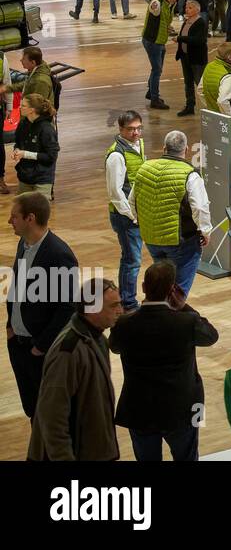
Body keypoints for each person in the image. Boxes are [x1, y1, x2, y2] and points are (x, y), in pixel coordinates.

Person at [109, 260, 219, 461]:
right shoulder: (187, 321)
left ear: (143, 288)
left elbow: (114, 347)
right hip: (182, 410)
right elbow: (211, 336)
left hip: (139, 410)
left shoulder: (124, 324)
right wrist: (184, 307)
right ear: (172, 290)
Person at [27, 278, 123, 461]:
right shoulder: (68, 351)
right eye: (114, 306)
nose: (120, 311)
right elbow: (52, 415)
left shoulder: (99, 340)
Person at [6, 192, 78, 417]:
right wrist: (10, 325)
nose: (9, 221)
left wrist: (42, 346)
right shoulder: (24, 243)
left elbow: (67, 307)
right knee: (32, 409)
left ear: (30, 218)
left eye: (14, 217)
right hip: (18, 344)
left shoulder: (59, 254)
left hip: (39, 349)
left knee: (48, 412)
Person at [129, 130, 212, 296]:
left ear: (164, 148)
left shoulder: (145, 167)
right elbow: (200, 207)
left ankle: (158, 313)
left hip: (152, 238)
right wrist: (206, 230)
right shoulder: (190, 174)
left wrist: (139, 221)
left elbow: (132, 200)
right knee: (177, 292)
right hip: (180, 241)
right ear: (186, 149)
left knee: (162, 285)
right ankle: (172, 316)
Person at [105, 110, 146, 313]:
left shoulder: (138, 145)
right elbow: (115, 192)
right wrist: (131, 215)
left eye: (139, 128)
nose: (136, 133)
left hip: (135, 213)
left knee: (130, 258)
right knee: (132, 260)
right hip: (125, 215)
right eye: (131, 129)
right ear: (121, 130)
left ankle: (125, 299)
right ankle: (128, 303)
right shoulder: (116, 155)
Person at [142, 0, 181, 110]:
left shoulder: (170, 4)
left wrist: (168, 28)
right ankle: (154, 99)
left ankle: (150, 92)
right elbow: (155, 10)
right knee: (157, 70)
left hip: (160, 40)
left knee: (157, 69)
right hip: (153, 41)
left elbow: (163, 21)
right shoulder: (157, 3)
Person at [13, 94, 58, 197]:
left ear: (31, 110)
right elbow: (18, 143)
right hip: (25, 176)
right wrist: (17, 150)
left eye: (23, 105)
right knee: (22, 211)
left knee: (39, 212)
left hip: (42, 179)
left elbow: (51, 157)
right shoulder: (23, 124)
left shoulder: (46, 129)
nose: (20, 107)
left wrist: (25, 154)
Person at [175, 0, 208, 117]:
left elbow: (199, 40)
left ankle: (210, 107)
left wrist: (180, 39)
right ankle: (190, 106)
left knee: (200, 84)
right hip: (186, 57)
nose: (186, 10)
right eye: (186, 8)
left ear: (197, 10)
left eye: (190, 8)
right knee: (188, 82)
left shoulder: (200, 23)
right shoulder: (187, 21)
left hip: (197, 59)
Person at [203, 41, 231, 115]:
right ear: (229, 57)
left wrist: (211, 106)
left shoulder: (209, 66)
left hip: (212, 114)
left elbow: (200, 91)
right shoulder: (228, 76)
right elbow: (222, 101)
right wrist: (230, 118)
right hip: (225, 118)